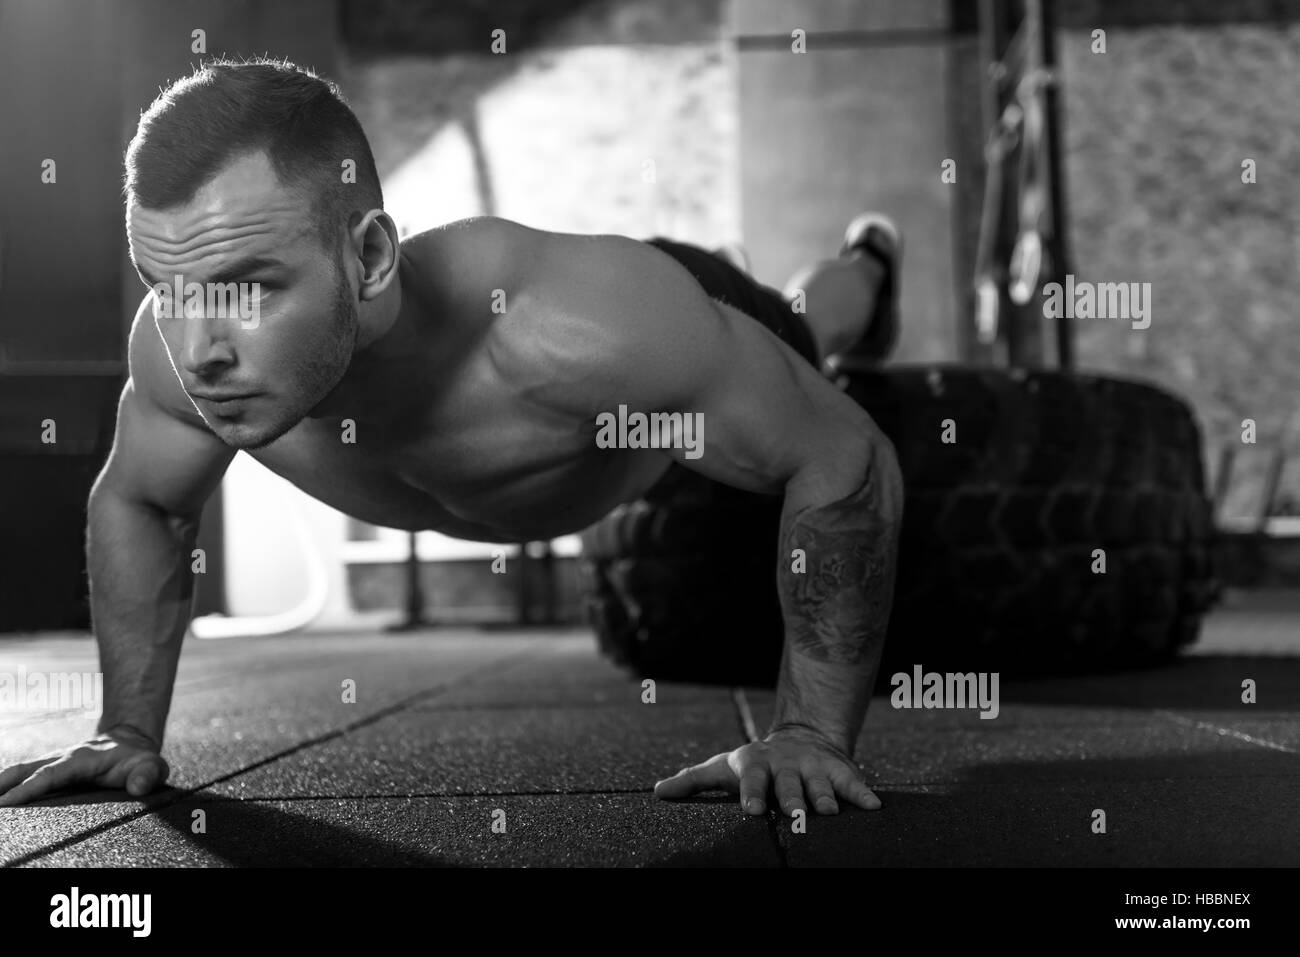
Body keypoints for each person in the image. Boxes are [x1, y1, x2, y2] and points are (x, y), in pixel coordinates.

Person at [0, 57, 904, 819]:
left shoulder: (584, 328)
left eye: (247, 287)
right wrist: (125, 728)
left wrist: (810, 734)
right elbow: (143, 499)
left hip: (667, 339)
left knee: (803, 322)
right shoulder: (180, 363)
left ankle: (868, 265)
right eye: (169, 290)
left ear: (370, 257)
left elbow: (841, 454)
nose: (199, 352)